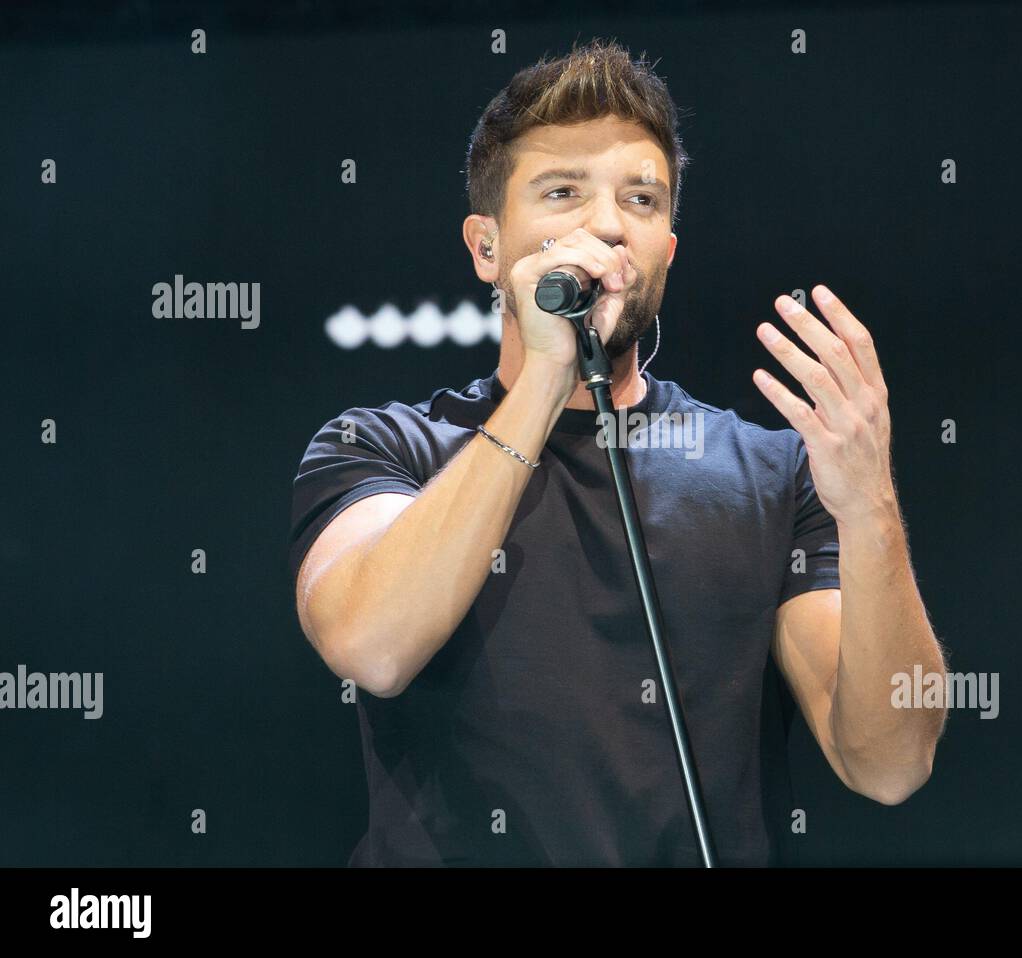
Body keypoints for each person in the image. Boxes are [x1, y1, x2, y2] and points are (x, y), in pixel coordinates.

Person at [288, 38, 947, 867]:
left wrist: (871, 505)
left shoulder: (773, 476)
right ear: (486, 248)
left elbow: (890, 764)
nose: (605, 226)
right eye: (563, 193)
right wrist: (544, 379)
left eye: (642, 200)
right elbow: (373, 645)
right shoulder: (382, 447)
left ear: (667, 250)